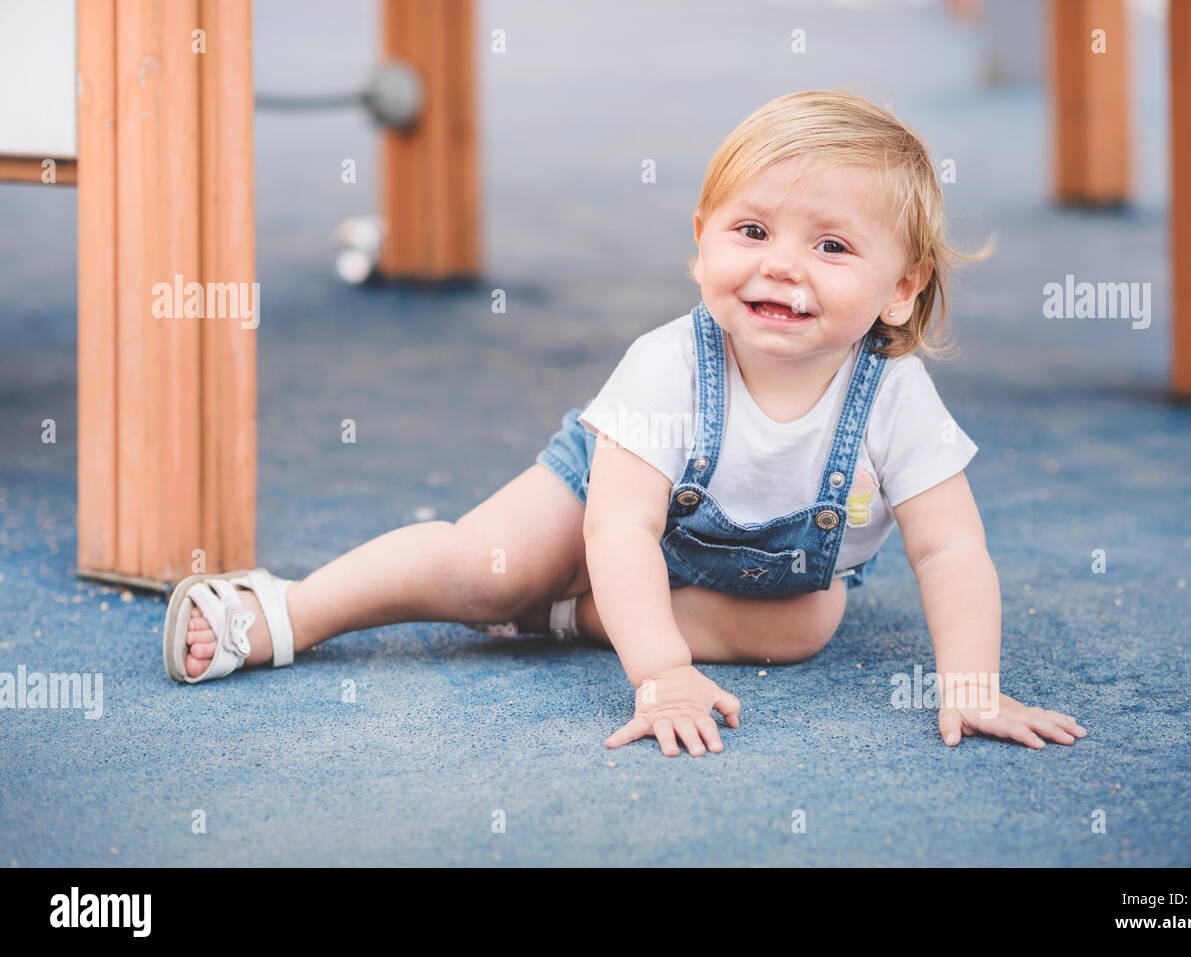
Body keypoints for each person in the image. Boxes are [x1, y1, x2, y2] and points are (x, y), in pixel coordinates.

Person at [164, 89, 1086, 758]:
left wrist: (970, 680)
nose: (781, 267)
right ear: (701, 241)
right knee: (484, 569)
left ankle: (569, 615)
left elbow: (950, 550)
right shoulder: (670, 364)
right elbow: (619, 524)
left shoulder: (895, 394)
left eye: (832, 245)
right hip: (603, 493)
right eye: (752, 231)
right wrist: (663, 671)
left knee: (806, 627)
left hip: (741, 576)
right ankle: (285, 609)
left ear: (901, 287)